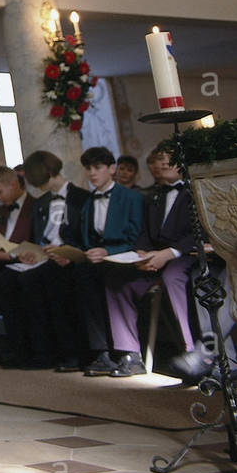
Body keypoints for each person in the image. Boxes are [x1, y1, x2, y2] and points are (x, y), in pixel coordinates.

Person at [103, 146, 208, 383]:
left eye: (168, 160)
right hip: (154, 258)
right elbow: (145, 232)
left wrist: (169, 254)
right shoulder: (155, 196)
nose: (162, 164)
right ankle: (130, 354)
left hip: (185, 256)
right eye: (160, 159)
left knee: (173, 277)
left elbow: (201, 231)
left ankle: (191, 353)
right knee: (116, 279)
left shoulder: (196, 191)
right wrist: (142, 253)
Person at [0, 152, 89, 371]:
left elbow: (85, 236)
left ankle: (57, 352)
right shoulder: (42, 202)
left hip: (68, 258)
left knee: (34, 281)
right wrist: (31, 252)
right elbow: (39, 236)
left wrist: (67, 253)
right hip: (44, 257)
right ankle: (22, 351)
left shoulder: (81, 198)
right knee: (4, 280)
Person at [66, 147, 146, 377]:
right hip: (100, 259)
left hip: (126, 258)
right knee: (81, 277)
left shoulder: (131, 197)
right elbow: (87, 237)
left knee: (112, 277)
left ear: (112, 169)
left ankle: (129, 354)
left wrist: (108, 250)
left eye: (98, 167)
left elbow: (137, 237)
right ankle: (101, 351)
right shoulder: (89, 201)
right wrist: (84, 252)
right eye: (88, 168)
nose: (92, 173)